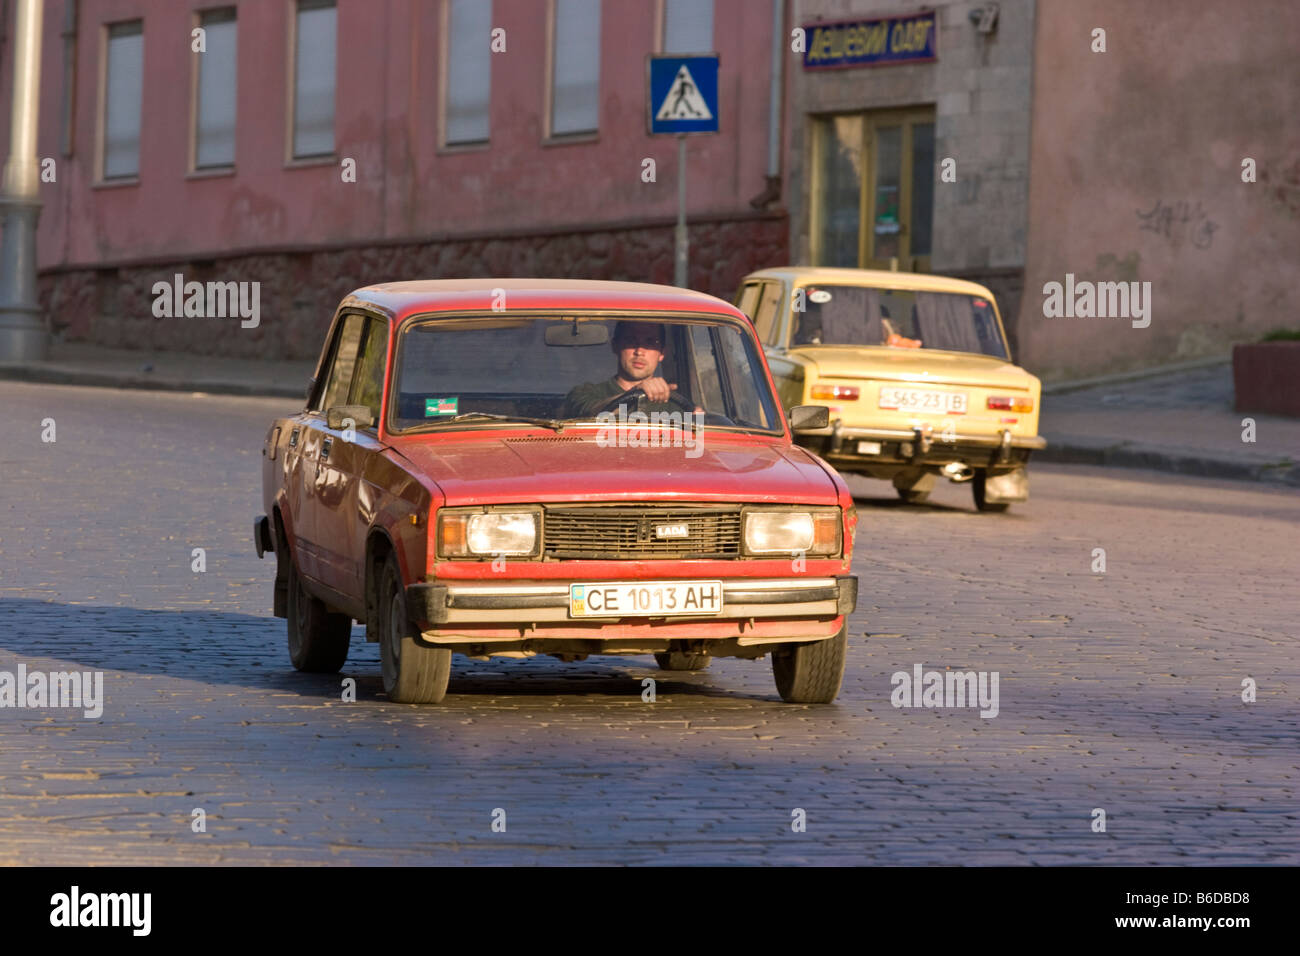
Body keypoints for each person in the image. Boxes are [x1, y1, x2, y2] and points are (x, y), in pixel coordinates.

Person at [563, 321, 697, 418]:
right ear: (615, 346)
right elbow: (589, 412)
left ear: (662, 353)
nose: (639, 351)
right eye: (630, 340)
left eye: (650, 342)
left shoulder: (676, 405)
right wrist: (635, 393)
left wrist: (700, 418)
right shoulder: (584, 394)